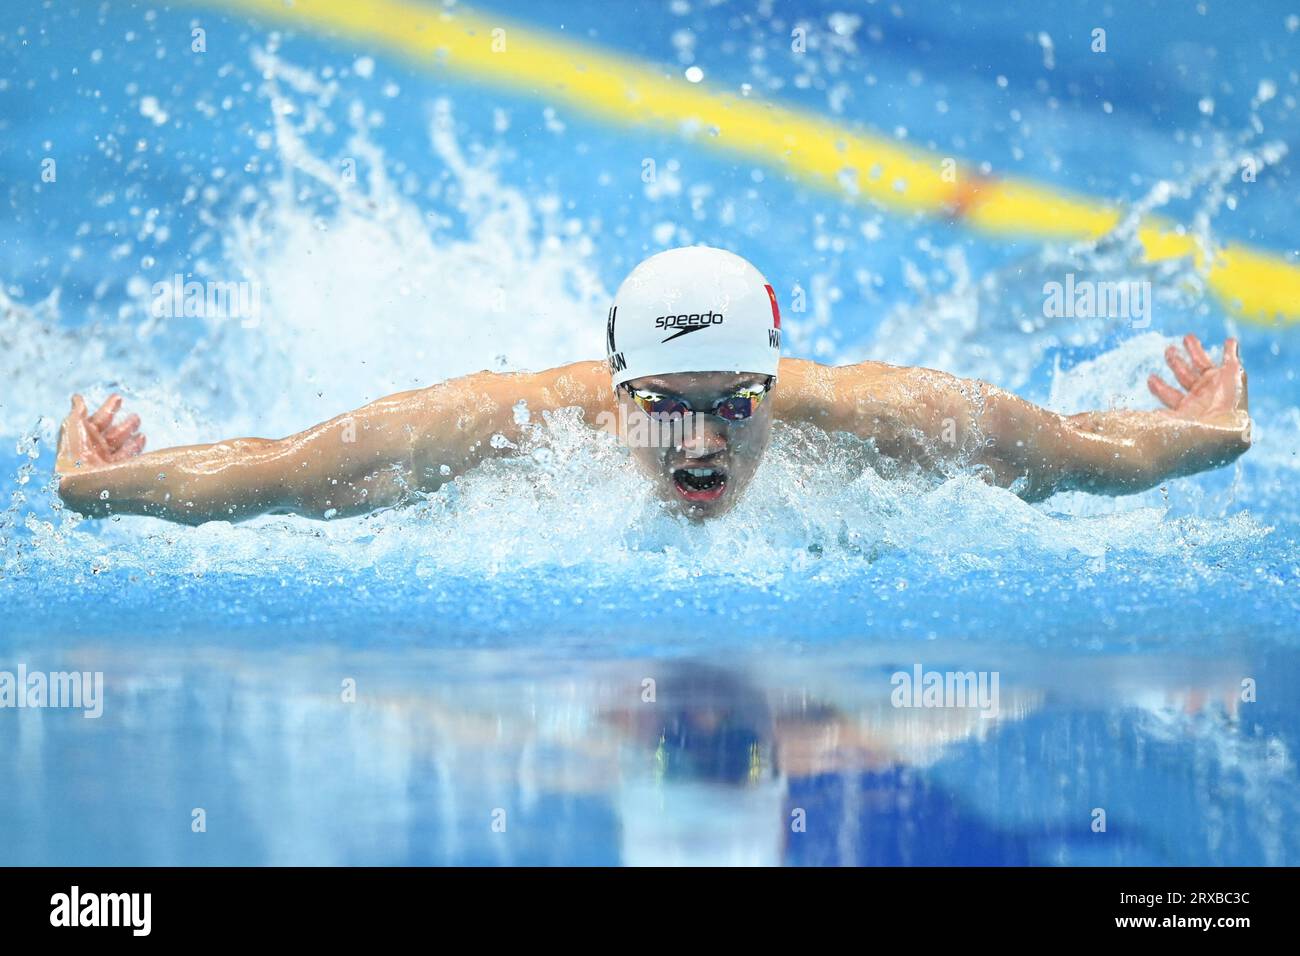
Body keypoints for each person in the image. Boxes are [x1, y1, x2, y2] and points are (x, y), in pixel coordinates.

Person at [54, 246, 1251, 525]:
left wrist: (1196, 436)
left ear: (779, 383)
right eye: (665, 400)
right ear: (615, 387)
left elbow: (1079, 452)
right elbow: (272, 472)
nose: (701, 437)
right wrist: (114, 484)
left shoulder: (885, 418)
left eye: (736, 399)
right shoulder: (512, 419)